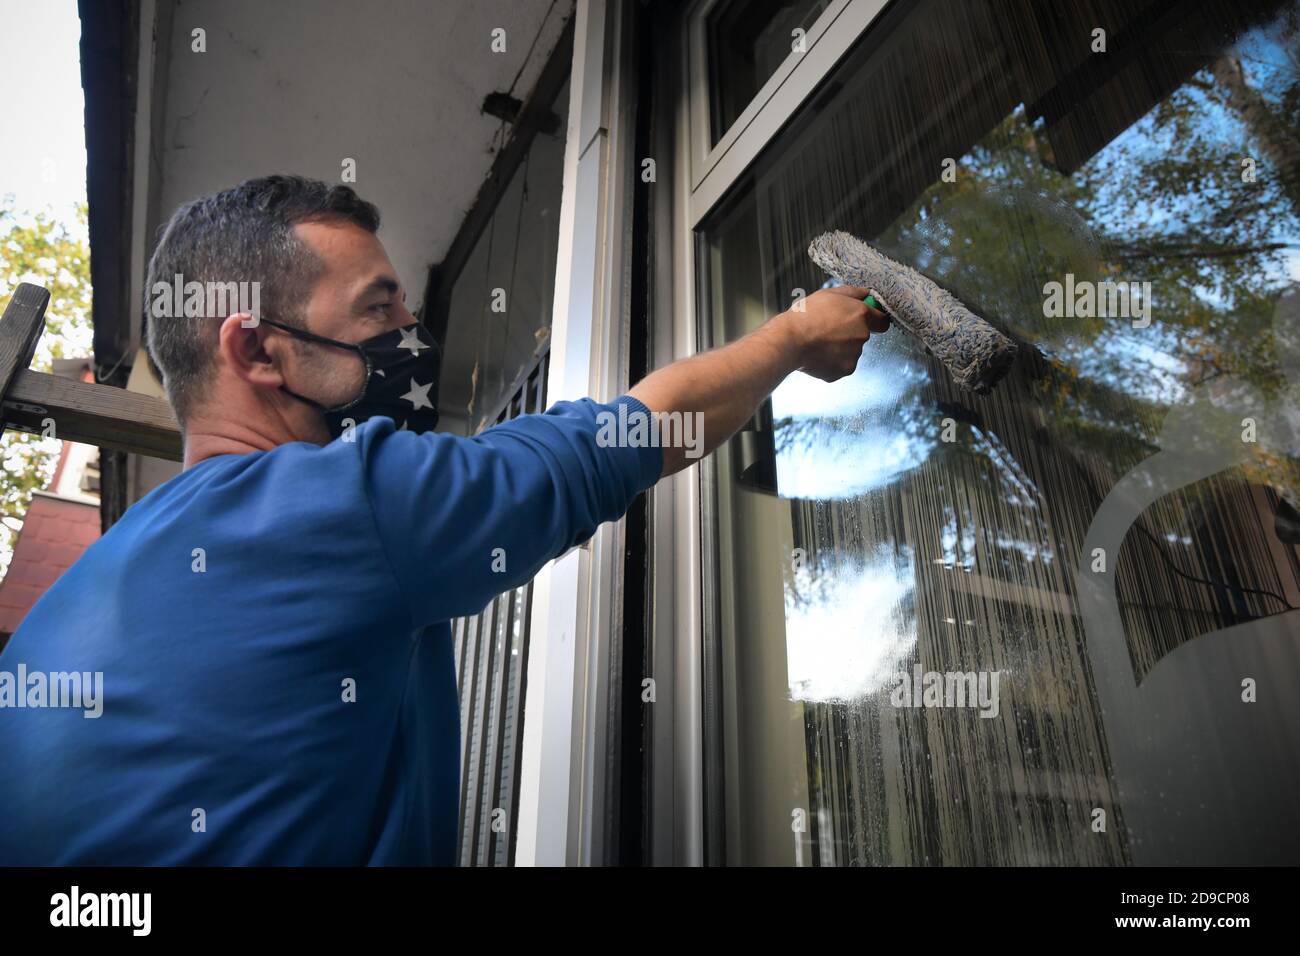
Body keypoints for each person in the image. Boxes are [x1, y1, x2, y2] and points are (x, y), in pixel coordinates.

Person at [0, 175, 888, 864]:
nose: (413, 332)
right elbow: (624, 437)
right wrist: (796, 336)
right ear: (257, 350)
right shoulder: (334, 507)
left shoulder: (59, 616)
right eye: (379, 308)